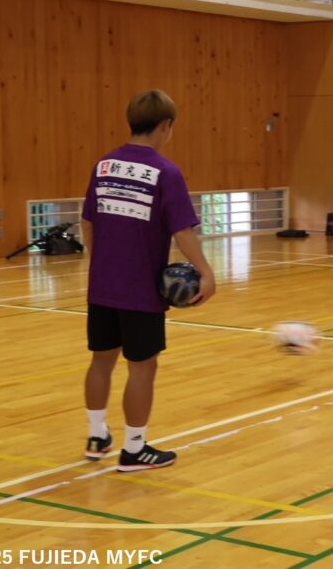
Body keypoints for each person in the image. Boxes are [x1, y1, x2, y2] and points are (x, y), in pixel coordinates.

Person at [80, 90, 216, 471]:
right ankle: (135, 449)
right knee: (142, 366)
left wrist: (102, 263)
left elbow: (87, 220)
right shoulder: (165, 172)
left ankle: (96, 435)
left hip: (102, 285)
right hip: (139, 289)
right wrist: (206, 272)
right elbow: (183, 231)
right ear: (166, 125)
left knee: (101, 361)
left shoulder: (104, 165)